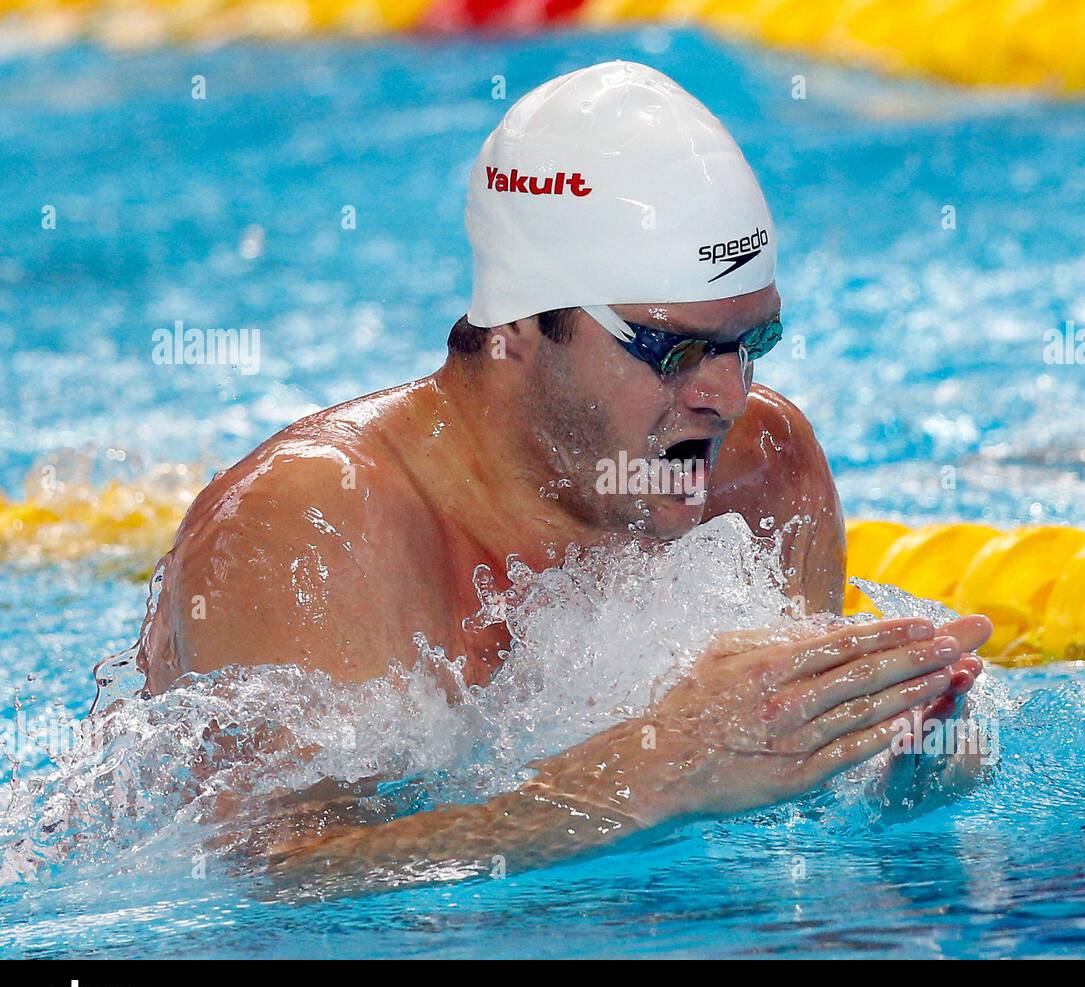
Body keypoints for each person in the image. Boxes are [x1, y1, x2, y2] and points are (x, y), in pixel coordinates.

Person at [139, 60, 992, 886]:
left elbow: (795, 831)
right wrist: (653, 772)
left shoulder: (761, 468)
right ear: (517, 328)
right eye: (677, 350)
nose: (729, 396)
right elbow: (277, 883)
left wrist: (904, 777)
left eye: (750, 344)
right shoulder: (316, 522)